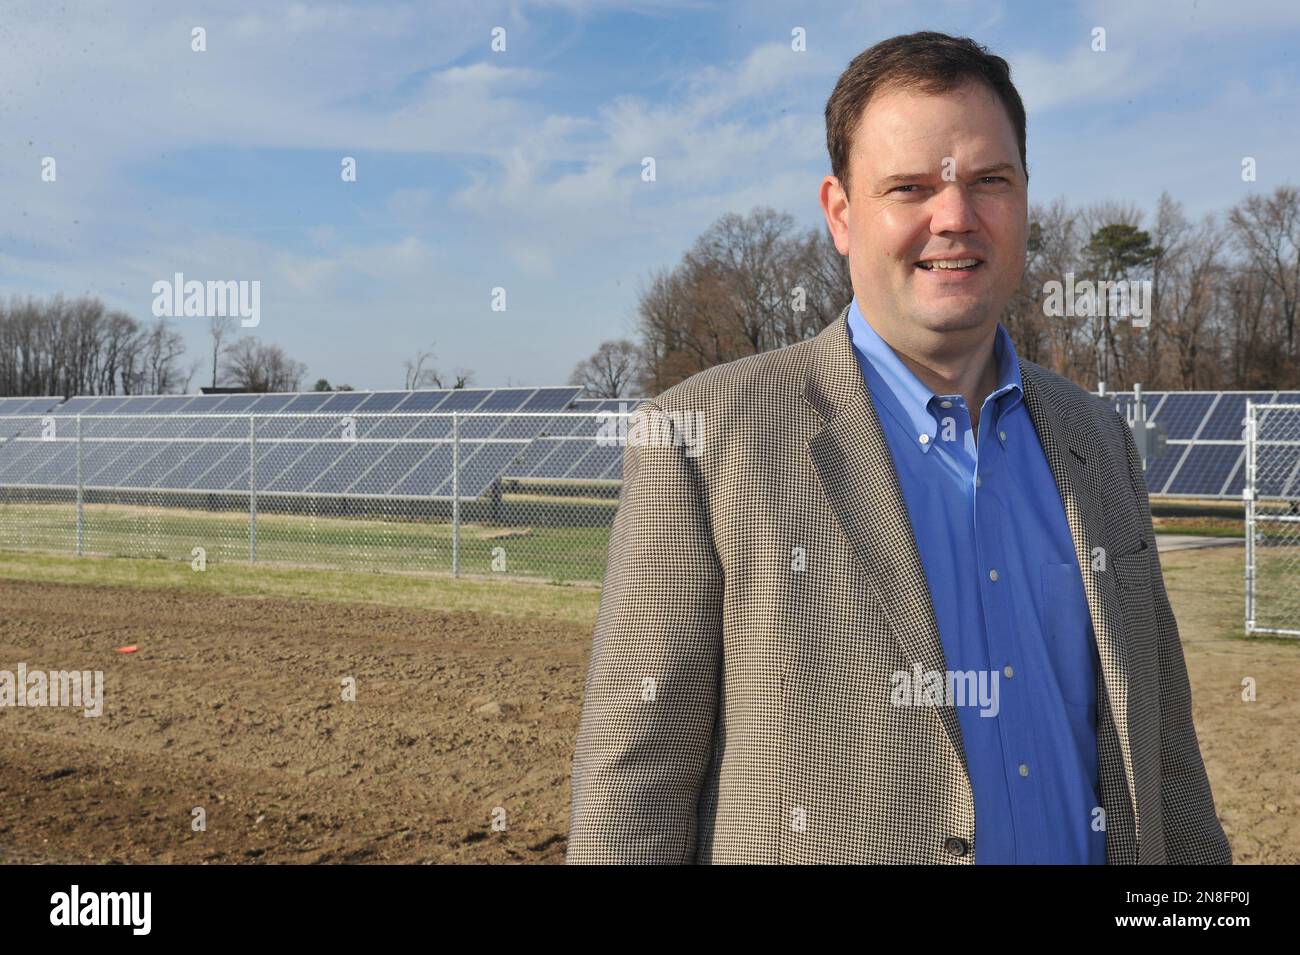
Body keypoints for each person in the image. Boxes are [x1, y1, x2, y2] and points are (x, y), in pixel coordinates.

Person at [565, 31, 1231, 864]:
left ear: (1024, 198)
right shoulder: (700, 443)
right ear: (841, 214)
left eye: (990, 181)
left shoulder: (1098, 441)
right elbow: (634, 794)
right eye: (910, 187)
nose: (955, 216)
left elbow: (1167, 759)